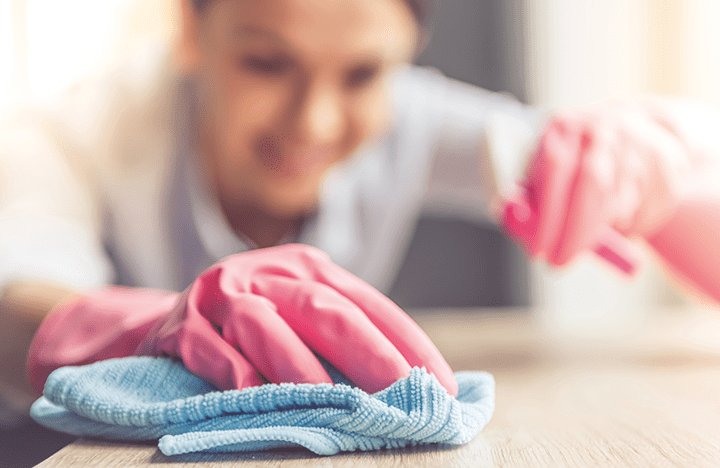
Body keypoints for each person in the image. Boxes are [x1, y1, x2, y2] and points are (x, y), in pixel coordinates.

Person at [1, 0, 720, 438]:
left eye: (363, 75)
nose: (314, 119)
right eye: (265, 62)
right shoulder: (68, 134)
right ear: (190, 29)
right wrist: (151, 327)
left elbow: (622, 179)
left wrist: (650, 174)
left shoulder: (409, 116)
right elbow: (14, 307)